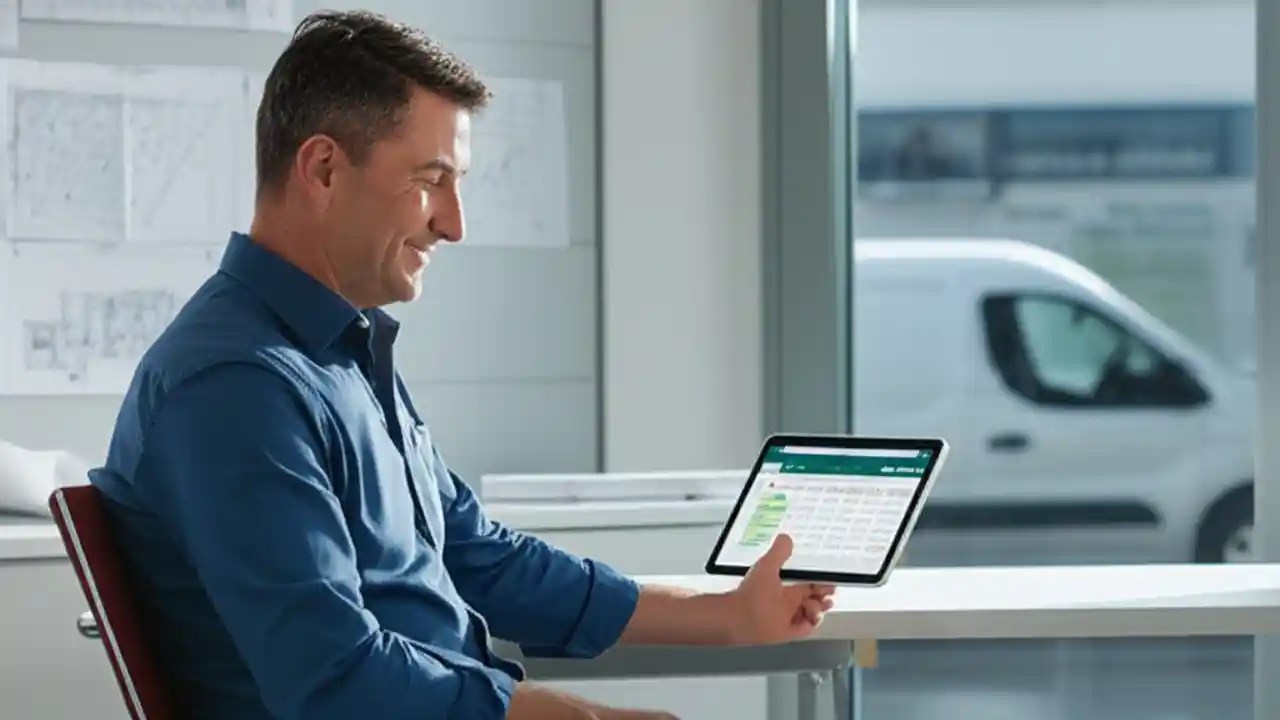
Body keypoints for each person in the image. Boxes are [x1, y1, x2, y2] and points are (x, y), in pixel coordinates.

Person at [89, 10, 835, 720]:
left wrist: (728, 616)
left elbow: (481, 560)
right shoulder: (235, 388)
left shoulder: (337, 356)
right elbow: (334, 681)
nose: (453, 223)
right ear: (322, 168)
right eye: (430, 180)